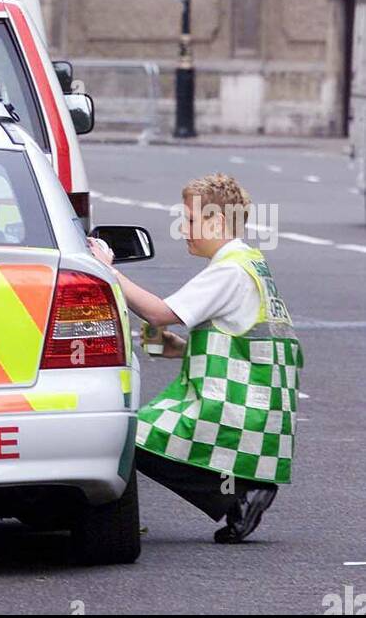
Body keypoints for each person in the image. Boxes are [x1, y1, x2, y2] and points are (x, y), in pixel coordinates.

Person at [88, 172, 303, 544]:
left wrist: (107, 269)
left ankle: (239, 492)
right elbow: (248, 342)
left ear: (216, 221)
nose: (183, 229)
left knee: (128, 437)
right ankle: (240, 491)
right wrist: (184, 349)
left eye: (189, 220)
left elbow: (157, 313)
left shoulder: (228, 271)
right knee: (141, 437)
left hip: (233, 403)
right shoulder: (251, 263)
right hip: (261, 402)